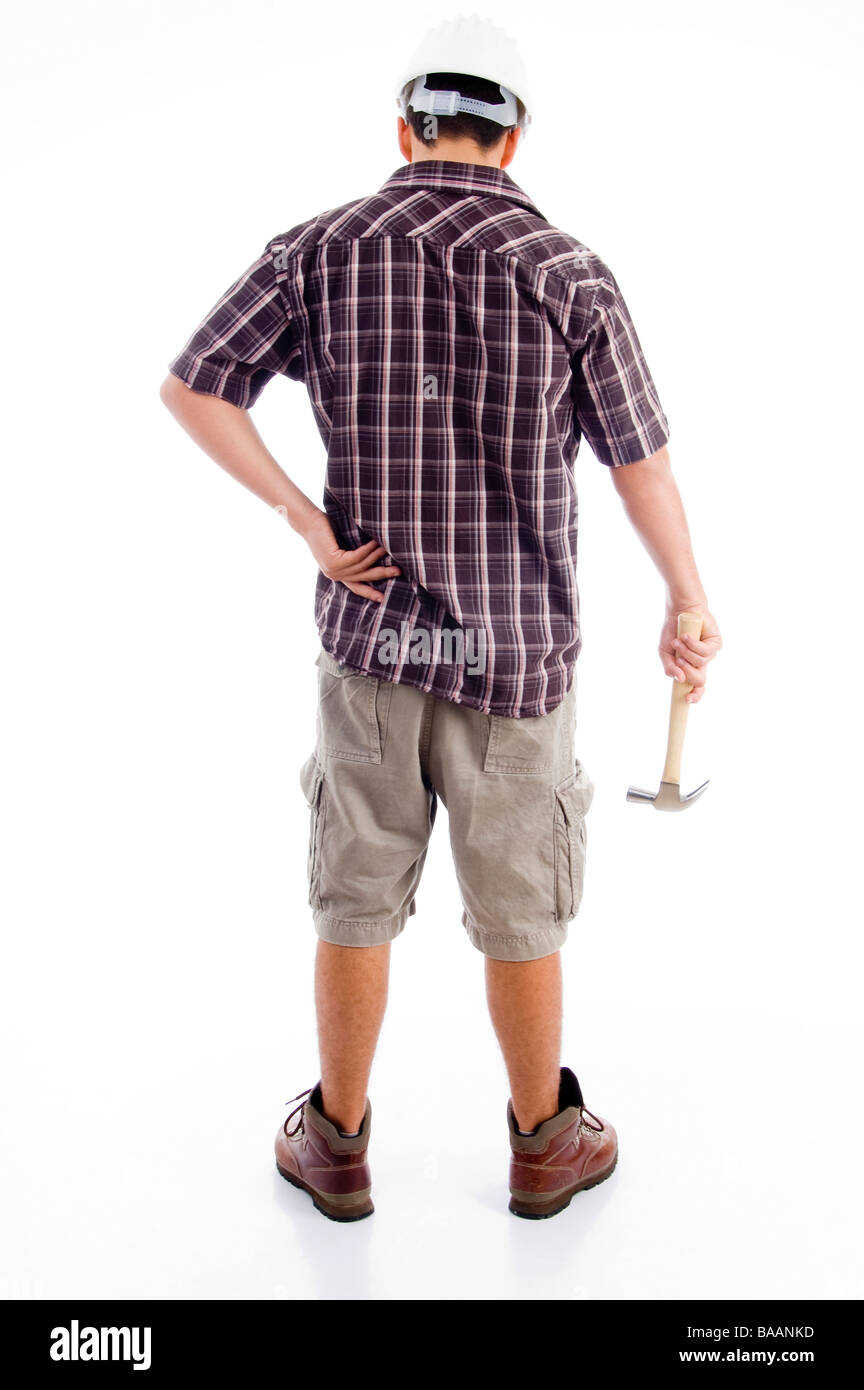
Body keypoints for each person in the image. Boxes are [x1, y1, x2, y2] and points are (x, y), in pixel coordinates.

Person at [160, 16, 721, 1222]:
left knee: (355, 890)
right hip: (515, 662)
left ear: (405, 126)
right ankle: (542, 1141)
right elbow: (642, 466)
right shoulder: (568, 270)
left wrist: (305, 522)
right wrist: (686, 595)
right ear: (514, 137)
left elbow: (193, 387)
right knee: (519, 901)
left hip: (375, 651)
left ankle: (340, 1141)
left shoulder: (320, 250)